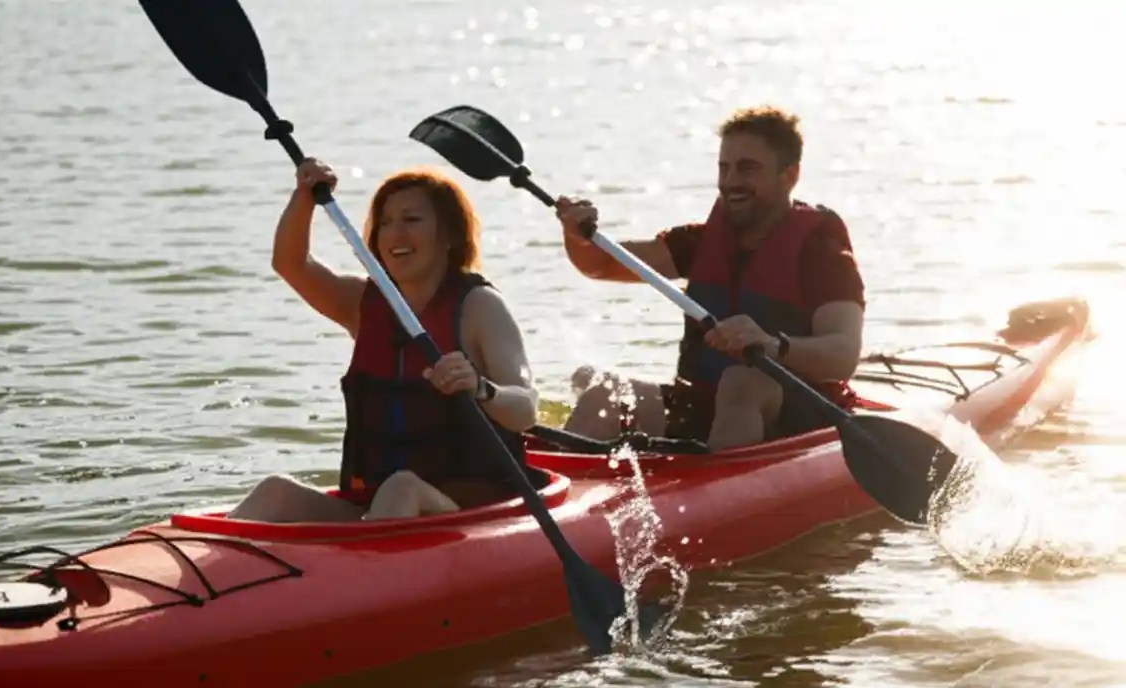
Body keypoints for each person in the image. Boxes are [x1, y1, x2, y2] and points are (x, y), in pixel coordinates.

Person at [229, 159, 542, 523]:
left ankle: (363, 574)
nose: (395, 234)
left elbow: (525, 408)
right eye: (386, 223)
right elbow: (290, 264)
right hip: (376, 513)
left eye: (411, 220)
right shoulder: (362, 304)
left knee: (402, 487)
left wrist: (480, 387)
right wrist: (304, 197)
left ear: (450, 235)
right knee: (275, 493)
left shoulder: (480, 307)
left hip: (471, 513)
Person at [554, 105, 865, 451]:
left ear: (789, 175)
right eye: (724, 167)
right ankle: (549, 498)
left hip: (795, 414)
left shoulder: (822, 252)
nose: (731, 181)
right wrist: (577, 235)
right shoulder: (702, 242)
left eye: (747, 169)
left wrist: (771, 344)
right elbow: (599, 264)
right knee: (603, 393)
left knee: (740, 383)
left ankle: (726, 494)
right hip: (702, 405)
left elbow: (843, 354)